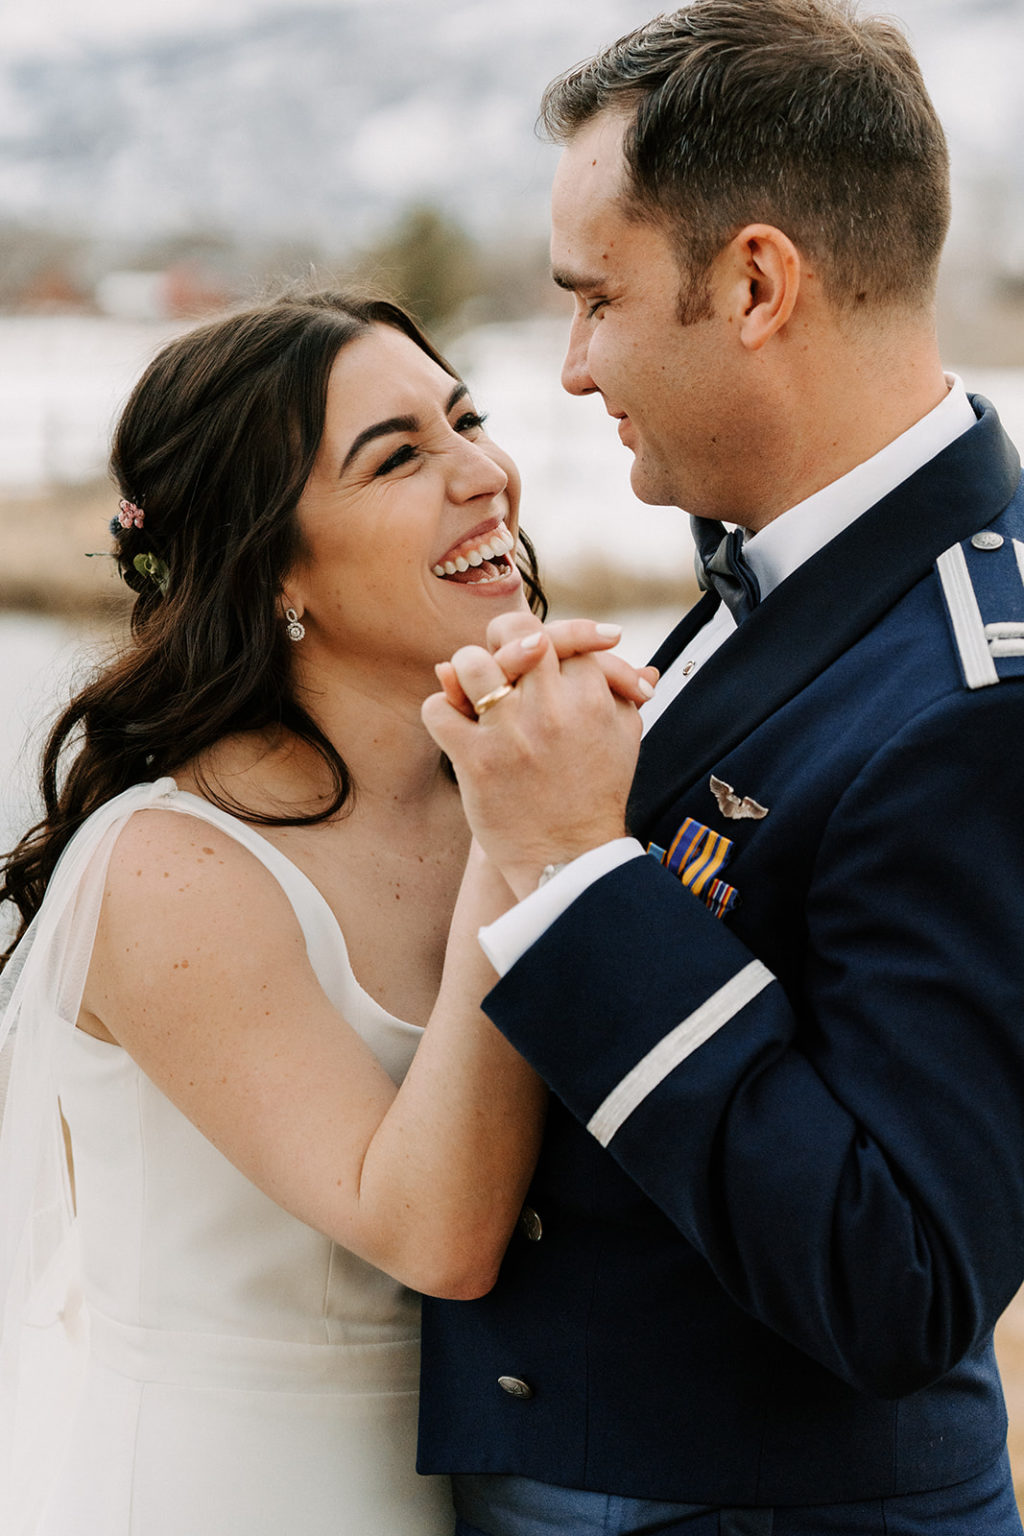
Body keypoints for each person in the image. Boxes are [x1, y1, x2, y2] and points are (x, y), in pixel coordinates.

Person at [417, 2, 1024, 1533]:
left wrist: (575, 867)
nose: (566, 369)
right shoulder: (787, 590)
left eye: (596, 300)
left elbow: (905, 1280)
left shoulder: (976, 693)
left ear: (755, 284)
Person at [0, 289, 654, 1536]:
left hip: (501, 1486)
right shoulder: (168, 868)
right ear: (274, 565)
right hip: (236, 1491)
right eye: (399, 455)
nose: (486, 474)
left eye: (465, 419)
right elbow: (434, 1233)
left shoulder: (519, 799)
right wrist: (529, 841)